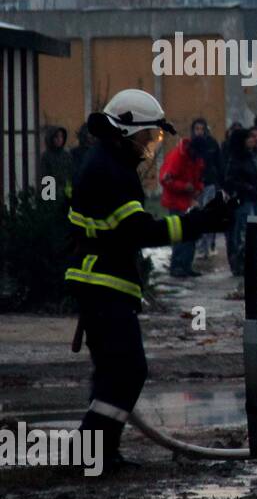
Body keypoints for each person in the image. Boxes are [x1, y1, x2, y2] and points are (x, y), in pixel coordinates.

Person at [67, 89, 233, 469]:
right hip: (104, 285)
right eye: (148, 137)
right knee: (127, 370)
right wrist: (200, 221)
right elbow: (141, 232)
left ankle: (97, 453)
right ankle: (90, 455)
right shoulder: (111, 171)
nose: (151, 146)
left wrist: (202, 219)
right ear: (127, 133)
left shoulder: (107, 162)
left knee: (113, 372)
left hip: (102, 284)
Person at [158, 135, 205, 278]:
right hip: (175, 201)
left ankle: (186, 265)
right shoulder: (177, 157)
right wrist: (184, 187)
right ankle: (177, 266)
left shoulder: (196, 158)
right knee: (180, 234)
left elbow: (198, 178)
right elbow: (165, 179)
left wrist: (198, 188)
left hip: (188, 202)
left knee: (190, 234)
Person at [222, 126, 257, 276]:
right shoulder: (236, 158)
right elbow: (230, 181)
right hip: (242, 201)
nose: (253, 140)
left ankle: (249, 262)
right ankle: (239, 264)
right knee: (240, 234)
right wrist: (247, 187)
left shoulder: (252, 156)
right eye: (249, 138)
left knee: (253, 233)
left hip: (254, 199)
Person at [188, 118, 223, 259]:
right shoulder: (190, 145)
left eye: (202, 129)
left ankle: (209, 245)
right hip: (195, 186)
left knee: (209, 214)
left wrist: (219, 183)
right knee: (198, 214)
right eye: (197, 129)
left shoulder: (212, 143)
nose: (199, 132)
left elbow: (219, 163)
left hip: (209, 183)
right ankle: (200, 246)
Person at [38, 125, 75, 203]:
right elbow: (45, 176)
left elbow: (71, 174)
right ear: (51, 138)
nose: (59, 140)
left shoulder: (66, 155)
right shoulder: (46, 156)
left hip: (66, 194)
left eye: (61, 137)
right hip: (52, 194)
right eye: (56, 137)